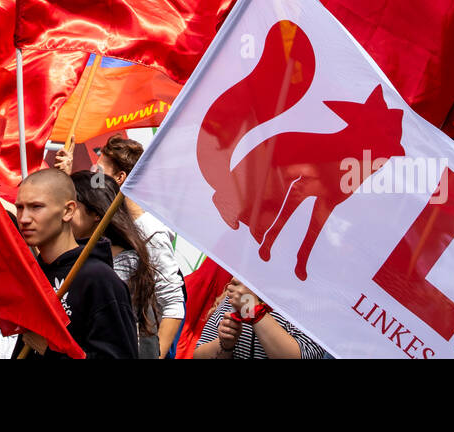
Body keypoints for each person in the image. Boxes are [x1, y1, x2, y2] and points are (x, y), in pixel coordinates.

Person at [75, 135, 187, 356]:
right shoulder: (104, 226)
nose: (92, 177)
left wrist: (155, 354)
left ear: (120, 177)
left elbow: (173, 303)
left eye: (98, 172)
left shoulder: (151, 232)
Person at [13, 168, 138, 358]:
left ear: (68, 211)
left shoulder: (99, 279)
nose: (24, 219)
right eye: (20, 207)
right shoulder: (34, 276)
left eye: (36, 207)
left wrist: (50, 351)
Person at [71, 171, 161, 357]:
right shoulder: (82, 259)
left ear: (95, 213)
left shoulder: (121, 268)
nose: (62, 212)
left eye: (71, 205)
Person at [194, 278, 328, 359]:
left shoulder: (315, 304)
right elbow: (198, 355)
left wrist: (253, 310)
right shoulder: (239, 293)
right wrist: (225, 345)